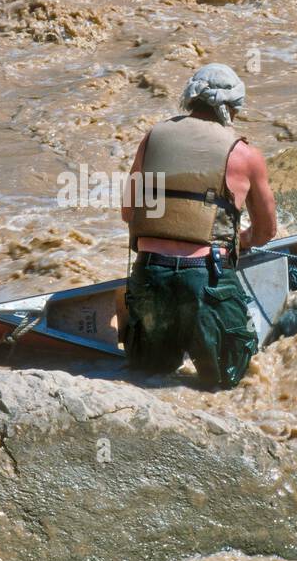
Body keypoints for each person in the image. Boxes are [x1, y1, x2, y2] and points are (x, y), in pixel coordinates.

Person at [119, 63, 278, 388]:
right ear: (233, 108)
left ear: (190, 99)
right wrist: (240, 242)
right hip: (207, 279)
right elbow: (265, 232)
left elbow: (128, 211)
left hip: (150, 277)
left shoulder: (153, 137)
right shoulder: (244, 154)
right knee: (226, 378)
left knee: (148, 372)